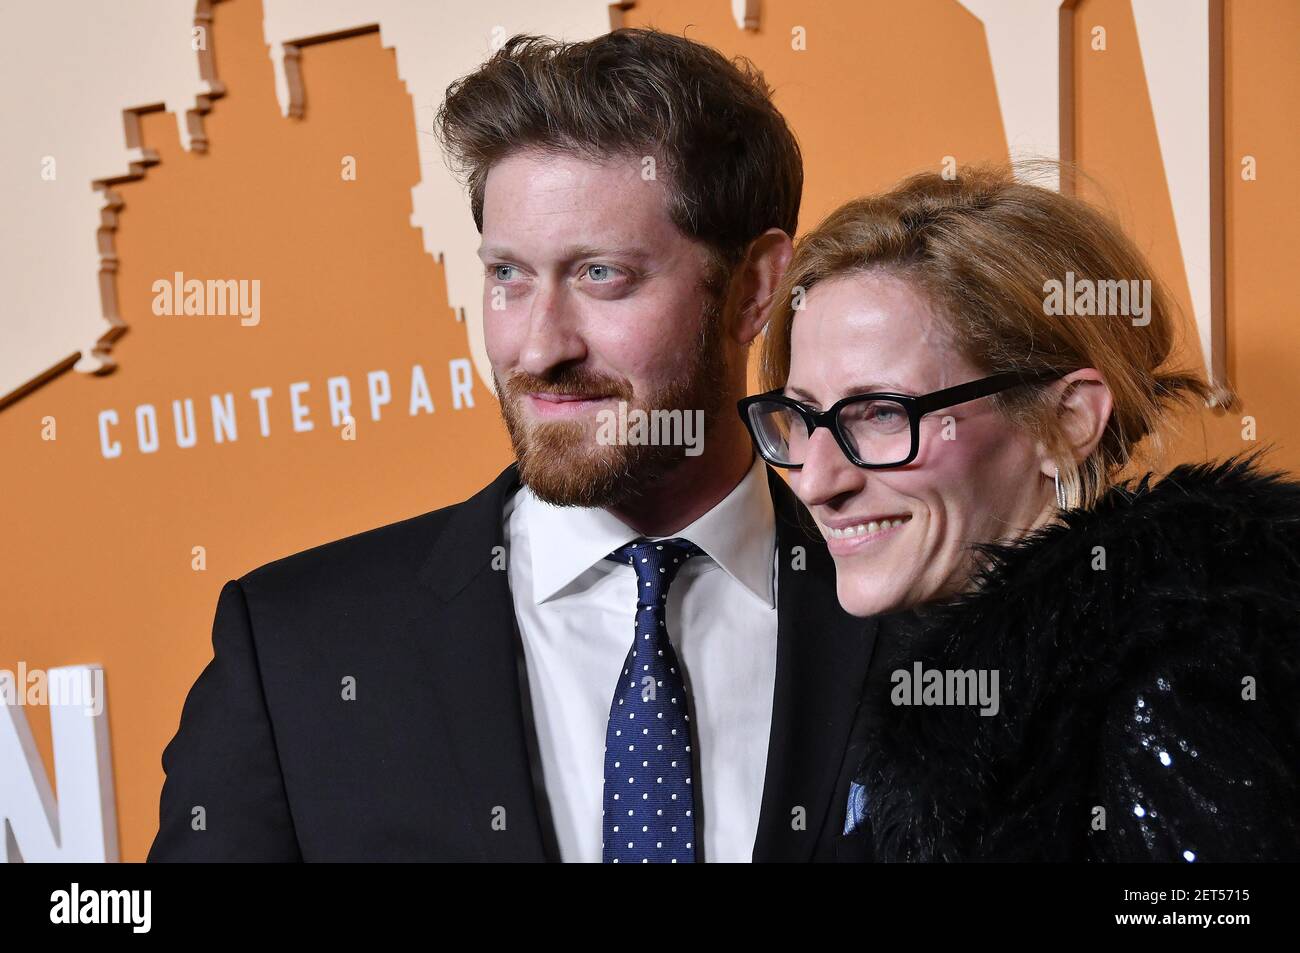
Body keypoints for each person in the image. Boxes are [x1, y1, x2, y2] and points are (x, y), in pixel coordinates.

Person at [149, 29, 874, 863]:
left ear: (753, 288)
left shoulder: (921, 624)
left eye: (601, 275)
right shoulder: (296, 652)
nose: (537, 350)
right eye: (508, 276)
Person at [739, 166, 1300, 862]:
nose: (816, 481)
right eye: (799, 417)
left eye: (882, 412)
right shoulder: (932, 694)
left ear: (1066, 422)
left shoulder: (1178, 683)